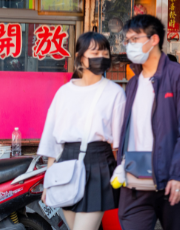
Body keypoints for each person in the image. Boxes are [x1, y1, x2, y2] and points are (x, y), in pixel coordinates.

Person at [117, 15, 180, 230]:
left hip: (172, 179)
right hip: (135, 181)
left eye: (135, 39)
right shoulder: (132, 85)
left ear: (154, 39)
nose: (130, 45)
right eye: (127, 40)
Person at [39, 33, 125, 230]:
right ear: (80, 57)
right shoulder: (64, 92)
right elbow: (53, 142)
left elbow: (120, 143)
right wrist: (48, 182)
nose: (101, 56)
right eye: (95, 52)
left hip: (99, 165)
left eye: (105, 52)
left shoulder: (115, 93)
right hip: (65, 166)